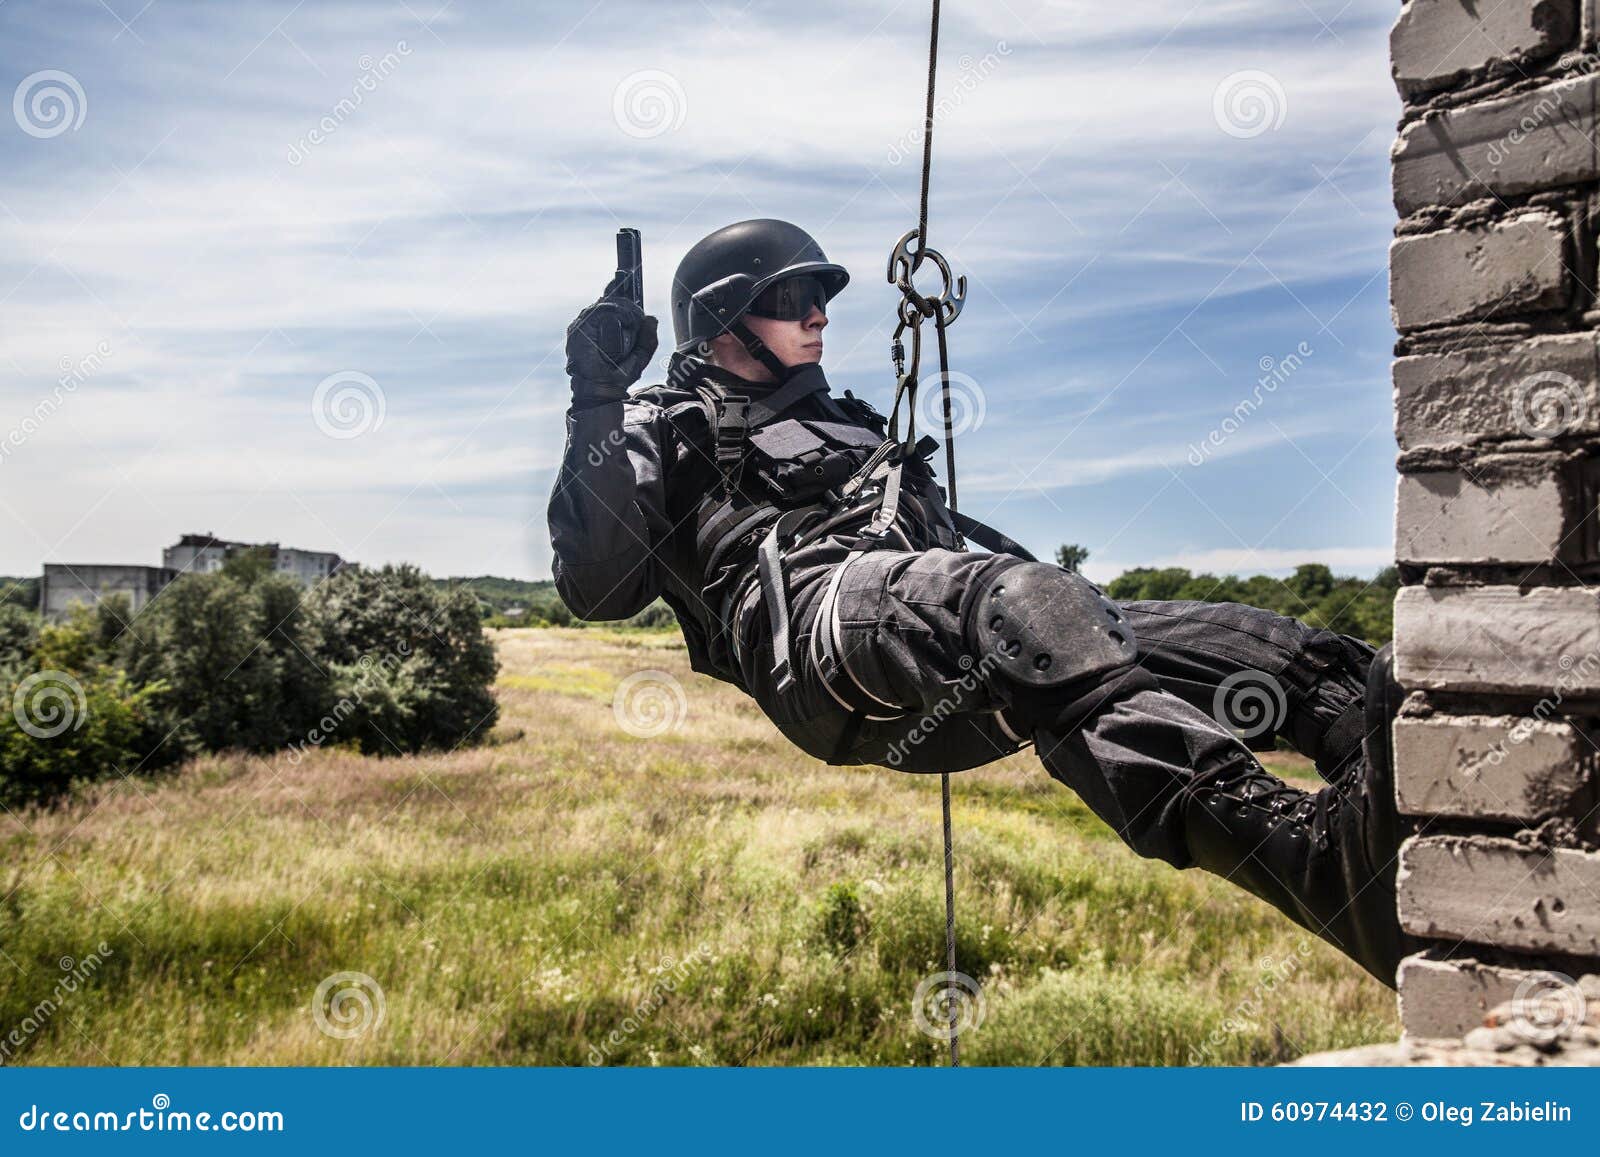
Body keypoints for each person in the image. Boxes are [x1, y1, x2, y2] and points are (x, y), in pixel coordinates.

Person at [548, 219, 1415, 985]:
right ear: (724, 319)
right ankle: (1318, 867)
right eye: (790, 296)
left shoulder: (843, 417)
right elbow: (598, 586)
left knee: (1258, 646)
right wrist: (596, 401)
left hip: (945, 648)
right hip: (818, 636)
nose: (817, 313)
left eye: (820, 296)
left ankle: (1418, 846)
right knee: (1025, 603)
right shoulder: (659, 424)